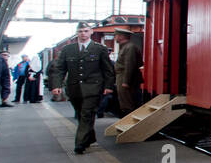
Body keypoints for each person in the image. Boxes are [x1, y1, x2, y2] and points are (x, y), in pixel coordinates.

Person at [50, 22, 115, 153]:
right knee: (81, 114)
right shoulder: (68, 50)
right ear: (77, 33)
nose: (83, 34)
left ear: (91, 32)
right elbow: (59, 69)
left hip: (93, 88)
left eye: (86, 31)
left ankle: (79, 144)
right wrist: (56, 85)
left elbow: (108, 69)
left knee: (86, 113)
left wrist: (108, 86)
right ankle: (90, 137)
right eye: (80, 31)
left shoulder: (99, 49)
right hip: (74, 89)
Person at [113, 29, 143, 115]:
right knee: (124, 101)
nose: (115, 38)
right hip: (122, 76)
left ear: (121, 36)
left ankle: (130, 122)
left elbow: (129, 65)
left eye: (116, 36)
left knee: (127, 102)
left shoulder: (129, 47)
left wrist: (126, 81)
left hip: (125, 77)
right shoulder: (126, 46)